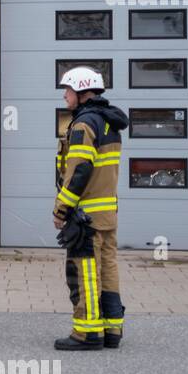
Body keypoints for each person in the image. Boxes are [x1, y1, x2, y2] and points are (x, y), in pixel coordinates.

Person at [52, 67, 128, 350]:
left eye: (68, 90)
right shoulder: (108, 123)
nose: (65, 95)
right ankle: (111, 330)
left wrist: (61, 209)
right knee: (107, 268)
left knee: (83, 271)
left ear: (82, 92)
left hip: (85, 216)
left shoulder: (83, 125)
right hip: (107, 214)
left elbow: (79, 171)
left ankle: (87, 333)